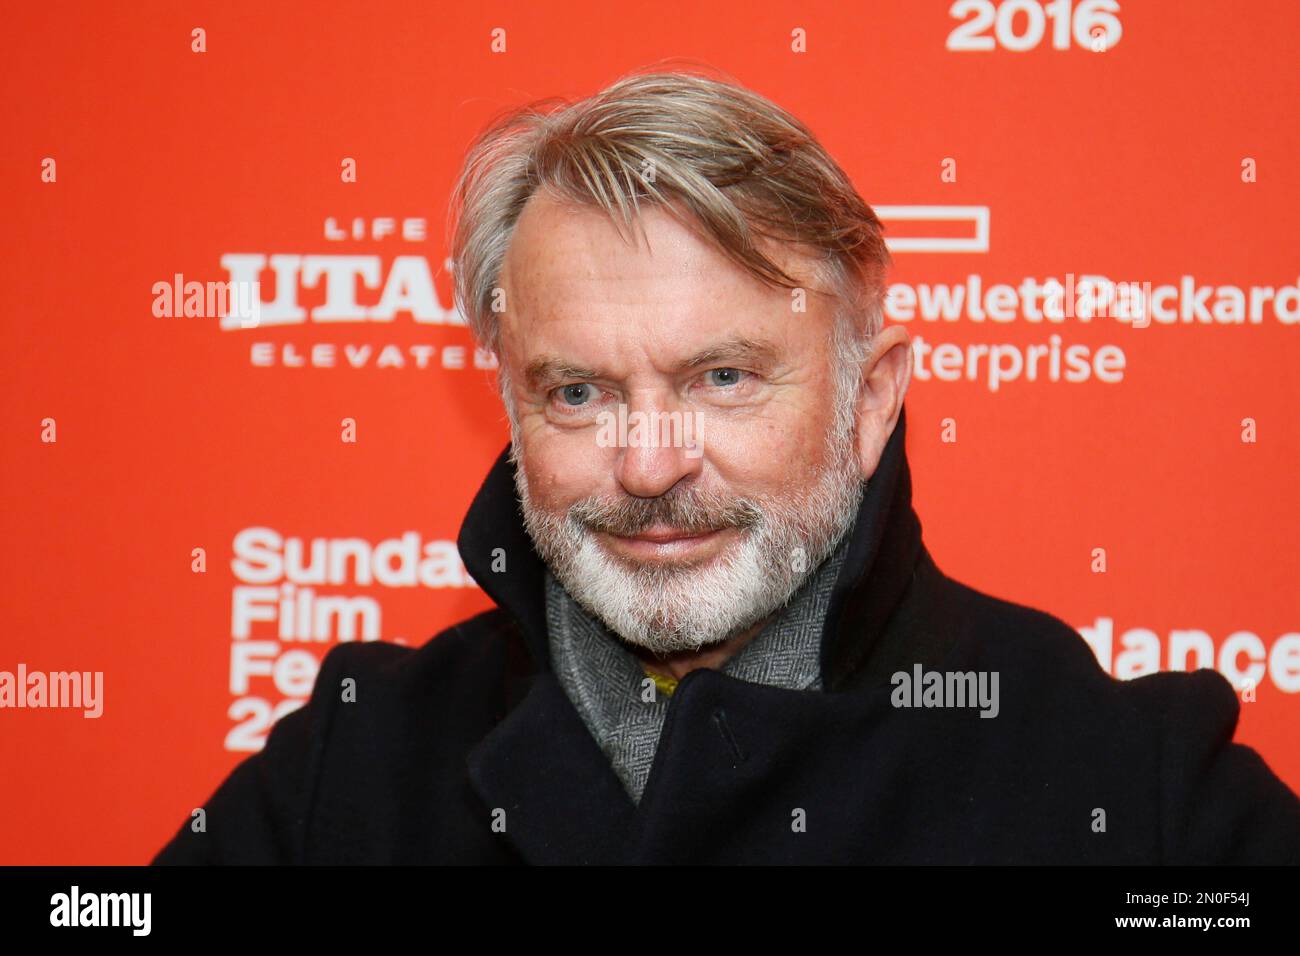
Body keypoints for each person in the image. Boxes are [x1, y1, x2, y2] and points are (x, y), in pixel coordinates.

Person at [153, 69, 1300, 864]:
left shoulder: (1126, 784)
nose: (648, 464)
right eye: (577, 392)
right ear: (510, 406)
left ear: (870, 399)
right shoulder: (356, 763)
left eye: (722, 377)